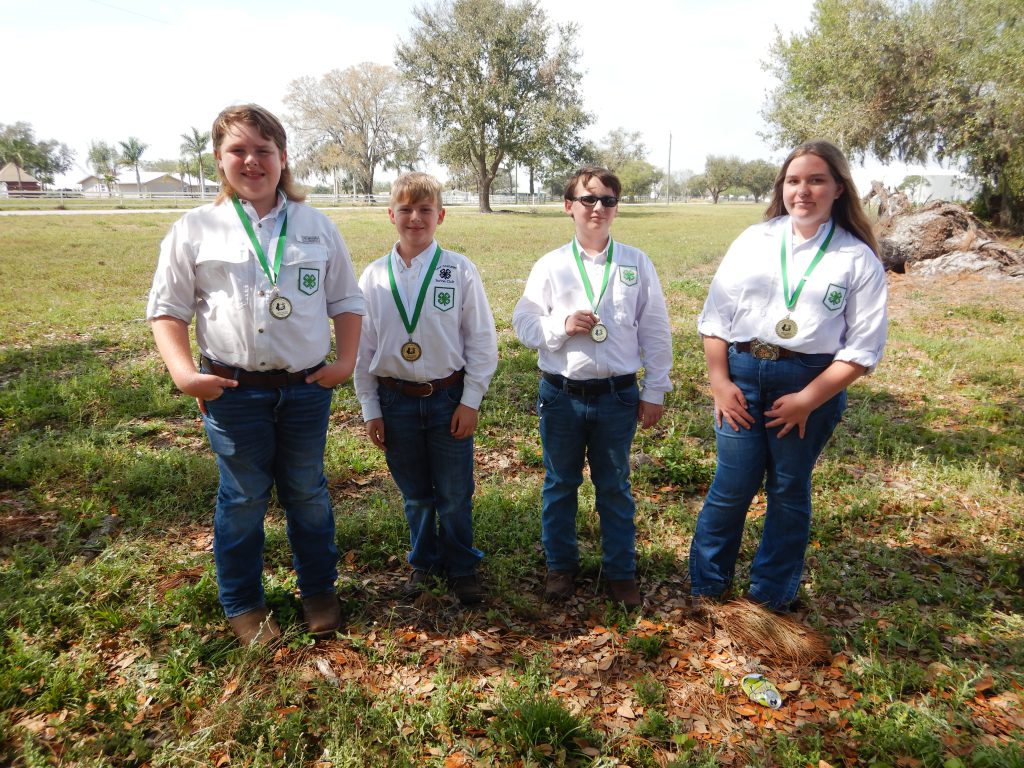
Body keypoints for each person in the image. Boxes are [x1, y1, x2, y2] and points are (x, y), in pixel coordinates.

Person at [146, 104, 365, 646]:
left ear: (282, 158)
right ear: (220, 160)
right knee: (242, 498)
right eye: (238, 150)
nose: (252, 161)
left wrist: (345, 362)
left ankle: (318, 589)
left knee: (307, 492)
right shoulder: (195, 228)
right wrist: (183, 374)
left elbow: (347, 300)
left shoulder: (316, 225)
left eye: (263, 150)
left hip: (305, 388)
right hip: (233, 391)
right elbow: (167, 310)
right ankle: (244, 603)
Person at [689, 139, 888, 613]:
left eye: (816, 180)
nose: (804, 190)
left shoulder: (856, 258)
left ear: (838, 188)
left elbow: (861, 350)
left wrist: (808, 400)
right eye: (794, 181)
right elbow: (715, 317)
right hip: (741, 375)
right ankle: (707, 587)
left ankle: (770, 595)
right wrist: (720, 382)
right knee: (732, 485)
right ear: (783, 187)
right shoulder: (755, 240)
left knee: (788, 488)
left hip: (809, 383)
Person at [512, 165, 673, 609]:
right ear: (569, 207)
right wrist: (561, 325)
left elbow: (655, 329)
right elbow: (523, 323)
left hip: (618, 395)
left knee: (615, 486)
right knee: (560, 484)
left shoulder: (636, 263)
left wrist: (655, 389)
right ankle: (561, 567)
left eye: (607, 200)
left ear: (616, 208)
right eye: (588, 199)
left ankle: (620, 572)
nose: (598, 207)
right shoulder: (551, 266)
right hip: (562, 395)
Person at [353, 172, 498, 606]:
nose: (415, 218)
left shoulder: (459, 270)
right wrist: (370, 408)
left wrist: (470, 400)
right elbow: (364, 350)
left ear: (441, 216)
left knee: (454, 492)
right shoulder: (374, 277)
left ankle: (461, 565)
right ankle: (423, 562)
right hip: (395, 400)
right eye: (406, 209)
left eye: (425, 210)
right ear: (390, 215)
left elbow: (482, 341)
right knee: (415, 493)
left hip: (448, 398)